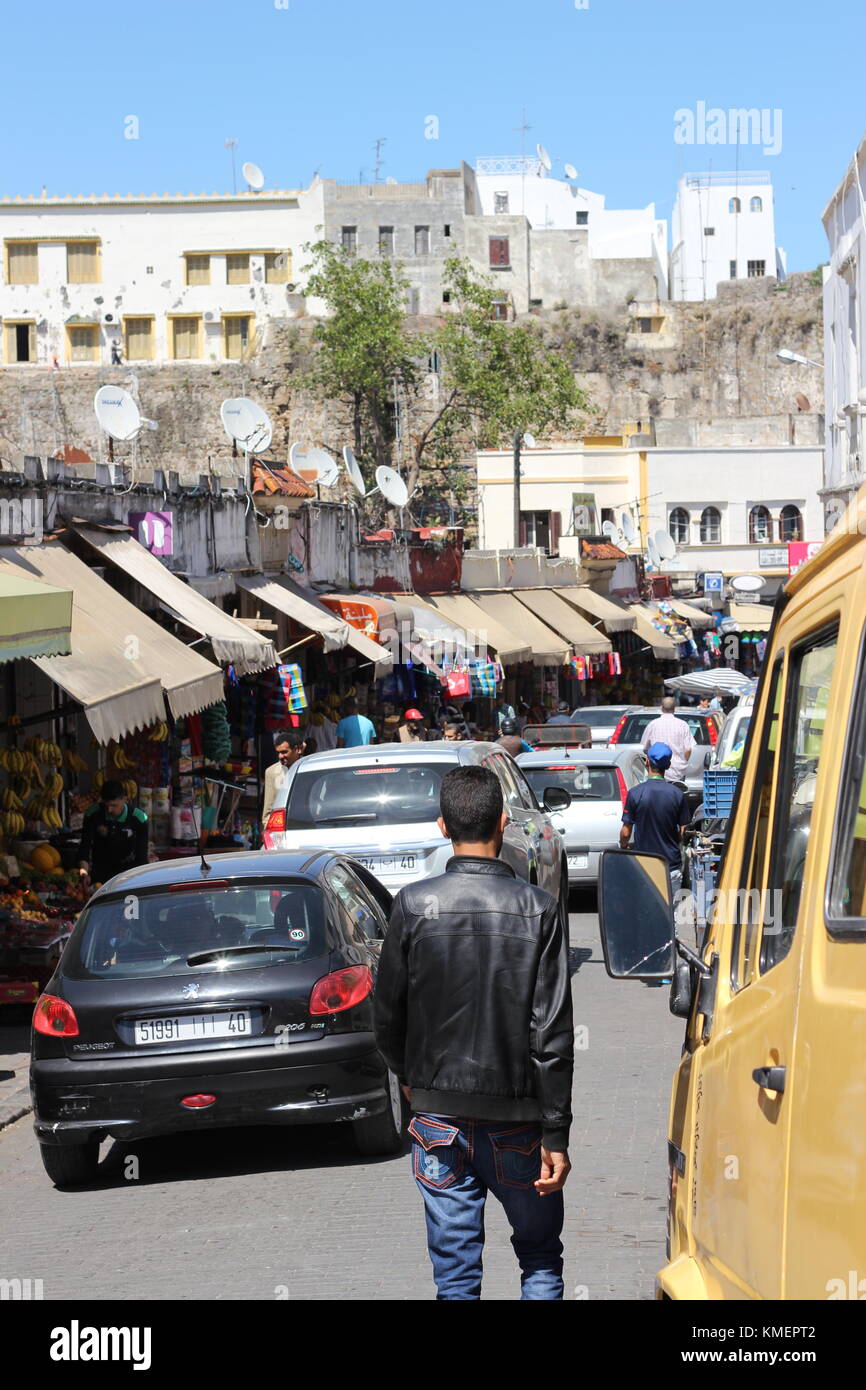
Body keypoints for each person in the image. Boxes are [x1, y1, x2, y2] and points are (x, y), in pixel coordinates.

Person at [374, 765, 573, 1300]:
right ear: (504, 823)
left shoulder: (413, 905)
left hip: (438, 1116)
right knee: (538, 1257)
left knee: (456, 1278)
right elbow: (551, 1033)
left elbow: (387, 1015)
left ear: (443, 826)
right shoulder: (539, 909)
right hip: (519, 1120)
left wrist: (411, 1079)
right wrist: (556, 1133)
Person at [619, 742, 690, 896]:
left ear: (647, 762)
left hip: (645, 865)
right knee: (671, 914)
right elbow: (684, 832)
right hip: (670, 866)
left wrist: (624, 848)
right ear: (669, 765)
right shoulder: (677, 794)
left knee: (647, 912)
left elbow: (625, 833)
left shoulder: (635, 793)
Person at [79, 780, 149, 888]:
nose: (109, 810)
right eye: (106, 805)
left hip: (128, 872)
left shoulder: (139, 818)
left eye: (113, 805)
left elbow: (142, 858)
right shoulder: (92, 814)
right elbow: (84, 847)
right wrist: (84, 873)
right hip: (100, 870)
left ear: (125, 799)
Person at [640, 695, 694, 785]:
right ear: (674, 708)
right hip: (678, 772)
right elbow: (688, 749)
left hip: (656, 772)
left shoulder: (653, 724)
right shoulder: (683, 725)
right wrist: (683, 761)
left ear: (661, 707)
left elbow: (645, 749)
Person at [262, 729, 306, 824]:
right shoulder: (272, 772)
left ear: (297, 749)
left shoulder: (307, 768)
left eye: (284, 752)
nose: (280, 756)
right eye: (278, 752)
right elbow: (268, 812)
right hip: (282, 826)